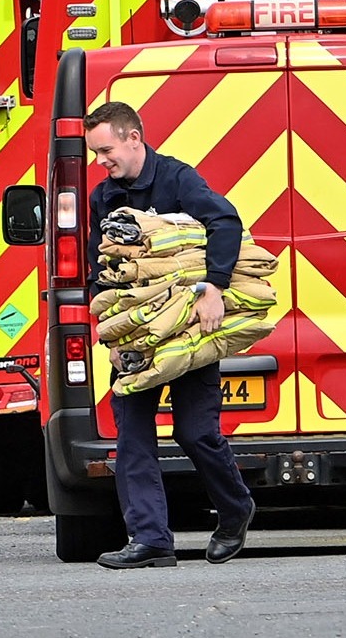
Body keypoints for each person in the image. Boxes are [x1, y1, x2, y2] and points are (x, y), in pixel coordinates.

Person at [84, 99, 259, 568]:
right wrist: (113, 338)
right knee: (133, 436)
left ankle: (235, 509)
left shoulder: (178, 179)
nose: (100, 161)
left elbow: (225, 221)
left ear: (133, 138)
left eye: (105, 151)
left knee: (195, 432)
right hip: (136, 336)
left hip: (187, 331)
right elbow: (101, 271)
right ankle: (151, 540)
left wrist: (214, 288)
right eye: (96, 153)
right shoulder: (103, 197)